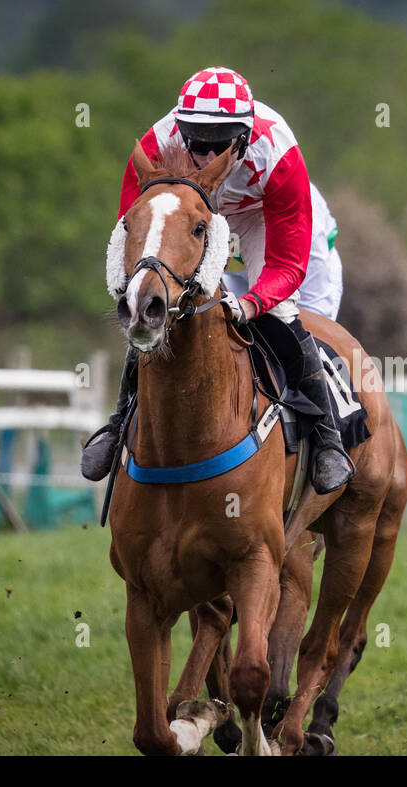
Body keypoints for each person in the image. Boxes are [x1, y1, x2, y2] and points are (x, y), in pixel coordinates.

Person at [82, 66, 354, 494]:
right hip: (195, 212)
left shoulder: (278, 157)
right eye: (196, 144)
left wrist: (251, 304)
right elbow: (129, 232)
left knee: (280, 311)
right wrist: (133, 288)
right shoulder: (157, 146)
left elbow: (286, 266)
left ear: (244, 137)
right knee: (159, 308)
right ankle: (119, 426)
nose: (206, 156)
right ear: (180, 130)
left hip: (263, 214)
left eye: (218, 145)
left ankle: (327, 439)